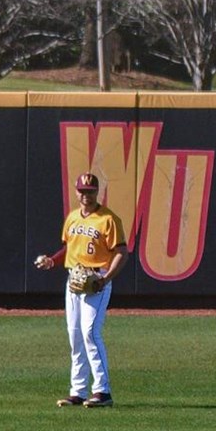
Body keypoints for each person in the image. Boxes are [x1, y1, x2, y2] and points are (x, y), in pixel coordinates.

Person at [33, 171, 128, 408]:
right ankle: (77, 391)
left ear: (98, 192)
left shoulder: (109, 219)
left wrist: (105, 280)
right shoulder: (73, 217)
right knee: (75, 336)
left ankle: (102, 391)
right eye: (82, 191)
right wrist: (52, 261)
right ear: (76, 192)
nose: (86, 195)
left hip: (97, 280)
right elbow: (69, 248)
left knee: (90, 333)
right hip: (74, 280)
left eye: (91, 191)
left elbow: (121, 252)